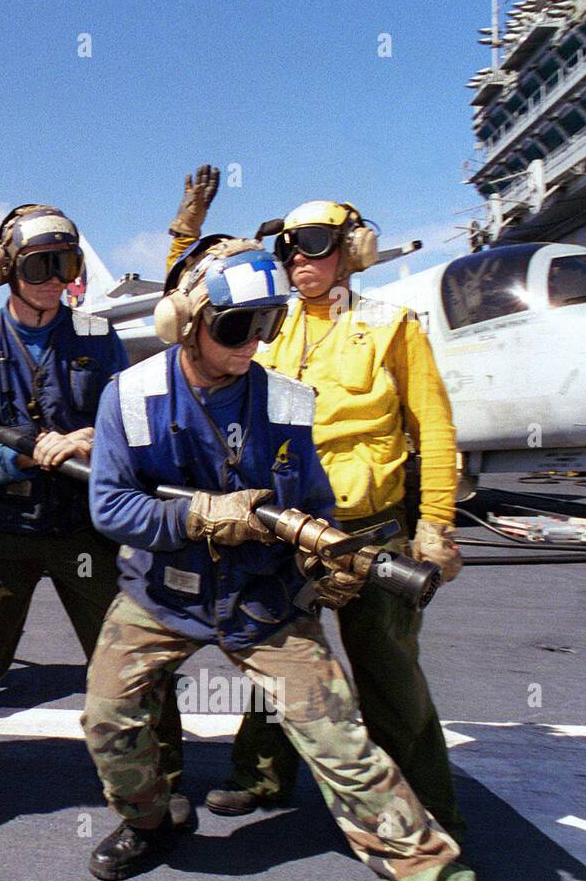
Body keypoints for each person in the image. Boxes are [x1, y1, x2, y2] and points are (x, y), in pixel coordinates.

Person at [81, 235, 475, 881]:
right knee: (108, 717)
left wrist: (324, 558)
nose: (253, 346)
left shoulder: (289, 399)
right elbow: (111, 505)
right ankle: (149, 821)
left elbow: (314, 498)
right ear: (189, 325)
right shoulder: (130, 394)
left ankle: (427, 874)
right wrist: (197, 518)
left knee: (338, 736)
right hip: (162, 594)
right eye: (238, 327)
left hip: (262, 596)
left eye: (269, 325)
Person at [166, 173, 467, 838]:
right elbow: (189, 301)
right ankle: (262, 774)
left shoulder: (390, 326)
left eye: (316, 243)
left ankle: (431, 811)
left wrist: (436, 527)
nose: (299, 257)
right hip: (285, 530)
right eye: (290, 247)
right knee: (279, 662)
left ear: (353, 250)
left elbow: (435, 429)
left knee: (390, 677)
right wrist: (187, 231)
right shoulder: (268, 325)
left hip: (370, 533)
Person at [0, 204, 187, 824]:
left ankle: (164, 778)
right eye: (38, 264)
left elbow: (132, 419)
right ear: (6, 270)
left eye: (64, 264)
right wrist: (33, 458)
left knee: (132, 656)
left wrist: (89, 438)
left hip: (82, 527)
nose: (51, 278)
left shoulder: (97, 335)